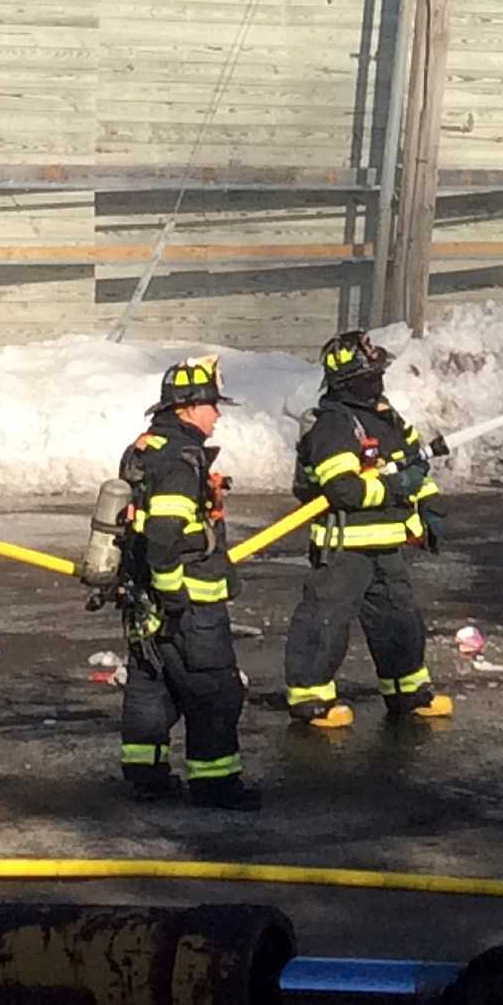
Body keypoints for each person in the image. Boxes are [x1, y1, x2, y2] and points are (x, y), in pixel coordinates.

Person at [283, 330, 452, 728]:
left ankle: (406, 690)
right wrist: (396, 486)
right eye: (372, 373)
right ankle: (311, 698)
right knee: (326, 620)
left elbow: (414, 464)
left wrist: (428, 503)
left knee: (399, 619)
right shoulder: (334, 426)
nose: (378, 380)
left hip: (387, 543)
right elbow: (344, 490)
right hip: (345, 548)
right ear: (351, 379)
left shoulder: (387, 417)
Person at [115, 355, 260, 810]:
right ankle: (217, 785)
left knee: (151, 682)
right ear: (186, 407)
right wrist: (173, 592)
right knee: (214, 691)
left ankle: (146, 774)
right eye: (211, 405)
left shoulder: (146, 446)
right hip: (189, 601)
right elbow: (163, 534)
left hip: (144, 601)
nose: (217, 415)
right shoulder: (180, 458)